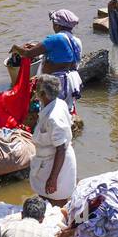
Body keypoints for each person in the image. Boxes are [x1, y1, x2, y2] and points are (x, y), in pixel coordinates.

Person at [10, 8, 83, 112]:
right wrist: (37, 46)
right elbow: (63, 53)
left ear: (57, 25)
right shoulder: (76, 41)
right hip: (72, 82)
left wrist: (16, 48)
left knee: (50, 112)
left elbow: (28, 54)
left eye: (53, 22)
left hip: (55, 84)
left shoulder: (54, 39)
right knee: (66, 112)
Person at [28, 73, 76, 205]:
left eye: (37, 87)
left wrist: (53, 178)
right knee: (45, 201)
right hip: (48, 162)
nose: (34, 89)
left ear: (43, 93)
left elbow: (60, 149)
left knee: (56, 203)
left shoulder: (54, 117)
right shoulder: (56, 103)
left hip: (57, 165)